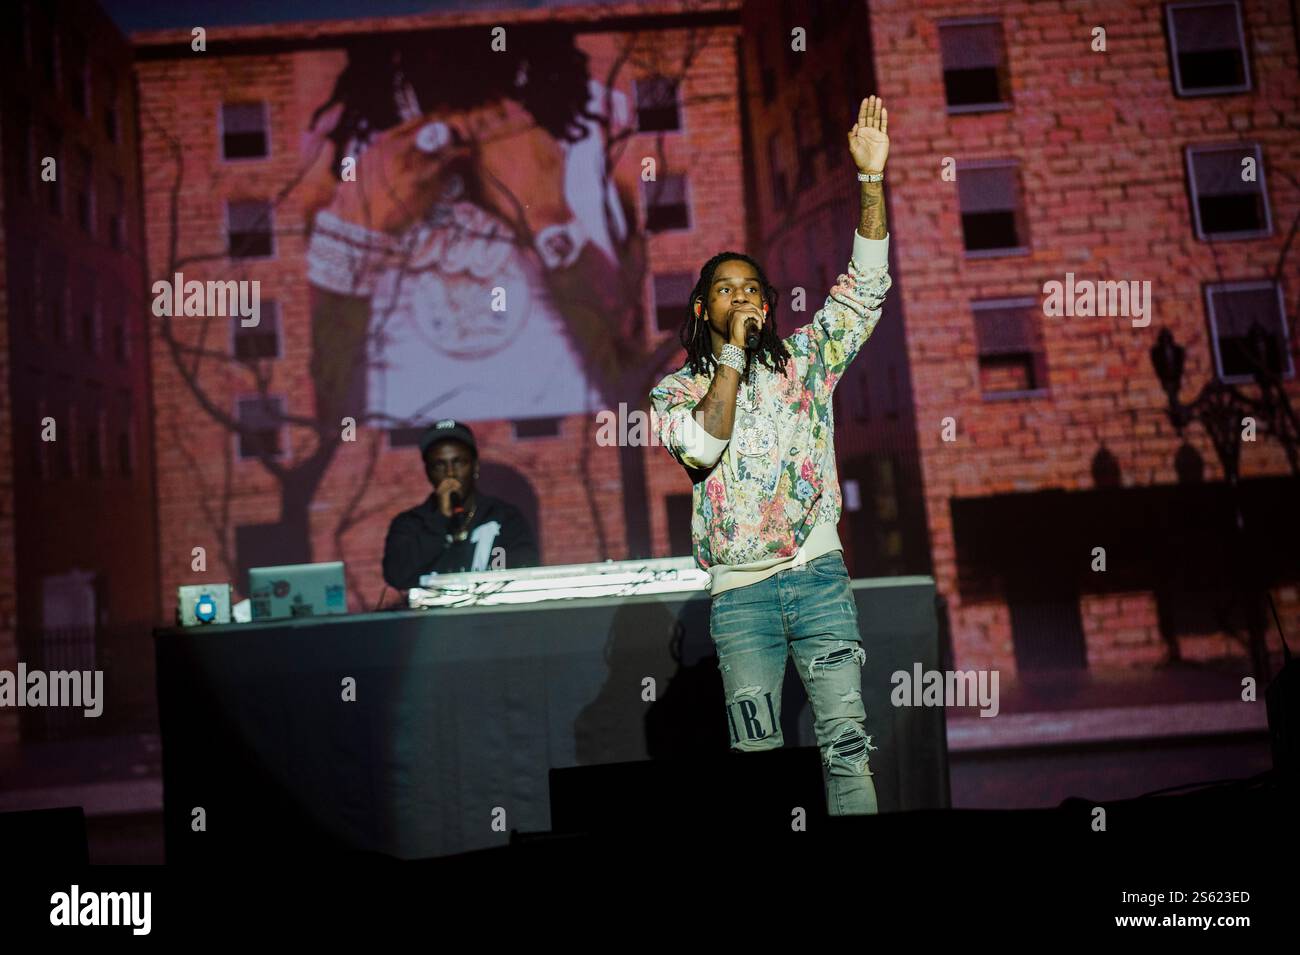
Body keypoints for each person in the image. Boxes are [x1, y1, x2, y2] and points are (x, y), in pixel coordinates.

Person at [649, 95, 893, 816]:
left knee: (847, 739)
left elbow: (865, 289)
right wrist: (728, 357)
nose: (744, 297)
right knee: (755, 756)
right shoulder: (675, 392)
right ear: (703, 310)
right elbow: (703, 447)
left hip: (816, 574)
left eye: (753, 287)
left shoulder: (806, 361)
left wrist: (871, 183)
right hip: (740, 597)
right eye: (726, 290)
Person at [382, 420, 539, 588]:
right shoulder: (410, 524)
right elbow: (397, 577)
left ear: (475, 466)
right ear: (428, 473)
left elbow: (524, 573)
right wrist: (440, 520)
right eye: (439, 465)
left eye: (459, 462)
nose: (450, 473)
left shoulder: (505, 518)